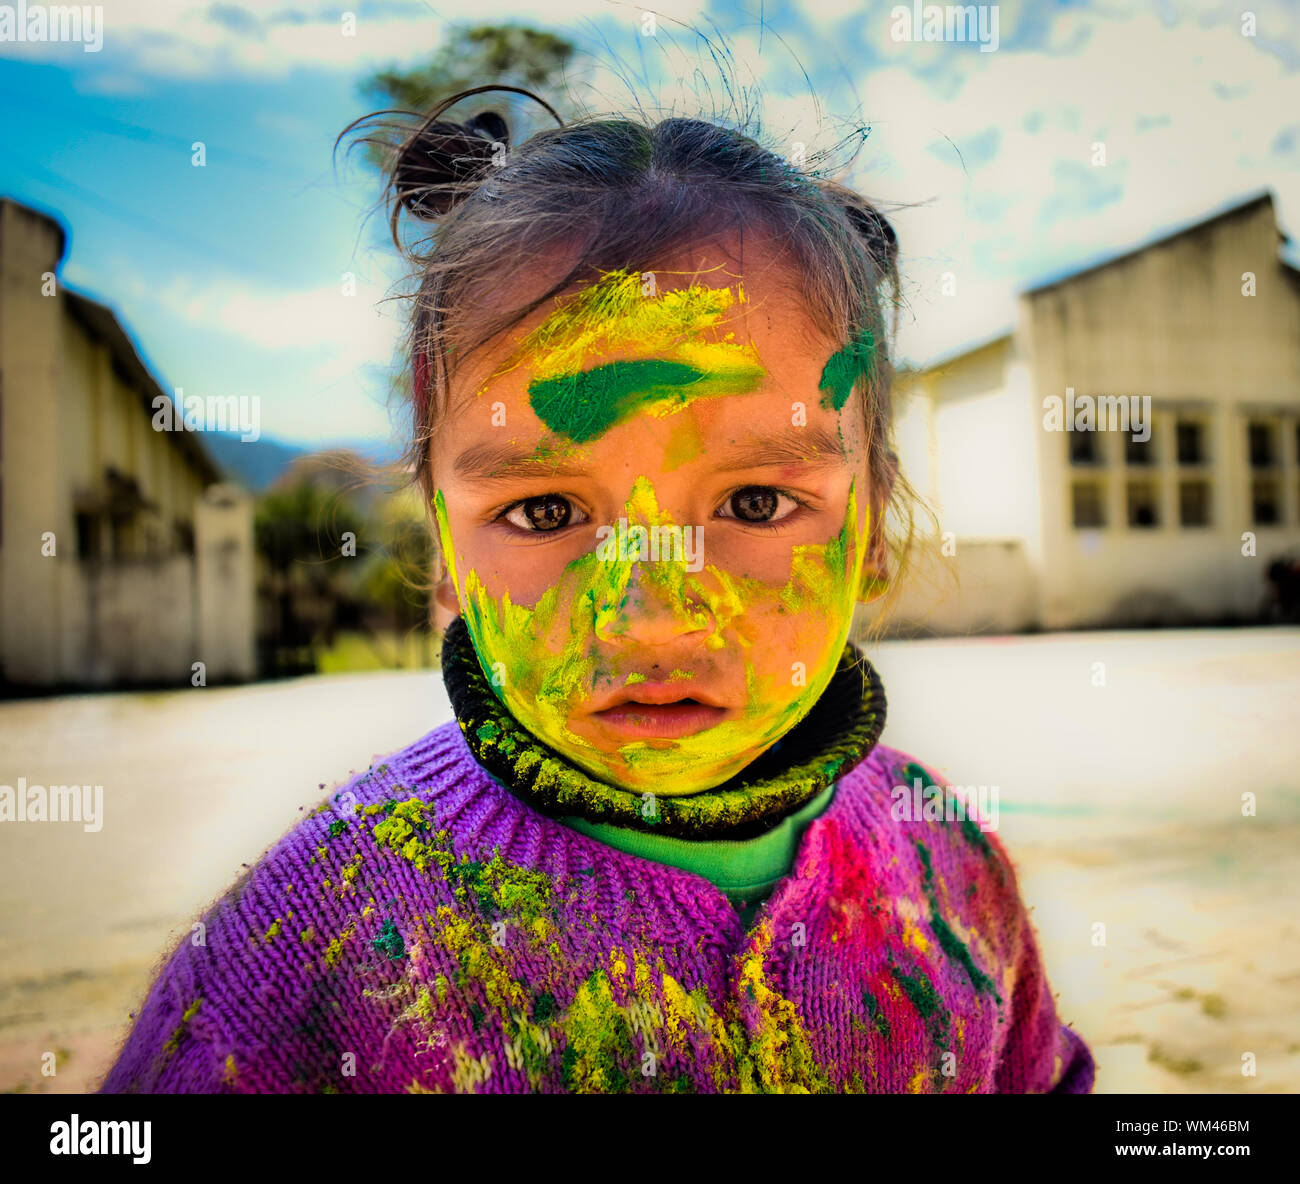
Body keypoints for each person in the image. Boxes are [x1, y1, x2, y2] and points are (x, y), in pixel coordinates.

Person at [99, 90, 1094, 1094]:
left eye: (755, 500)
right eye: (542, 511)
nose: (651, 619)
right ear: (444, 544)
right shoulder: (312, 946)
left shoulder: (948, 860)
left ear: (872, 522)